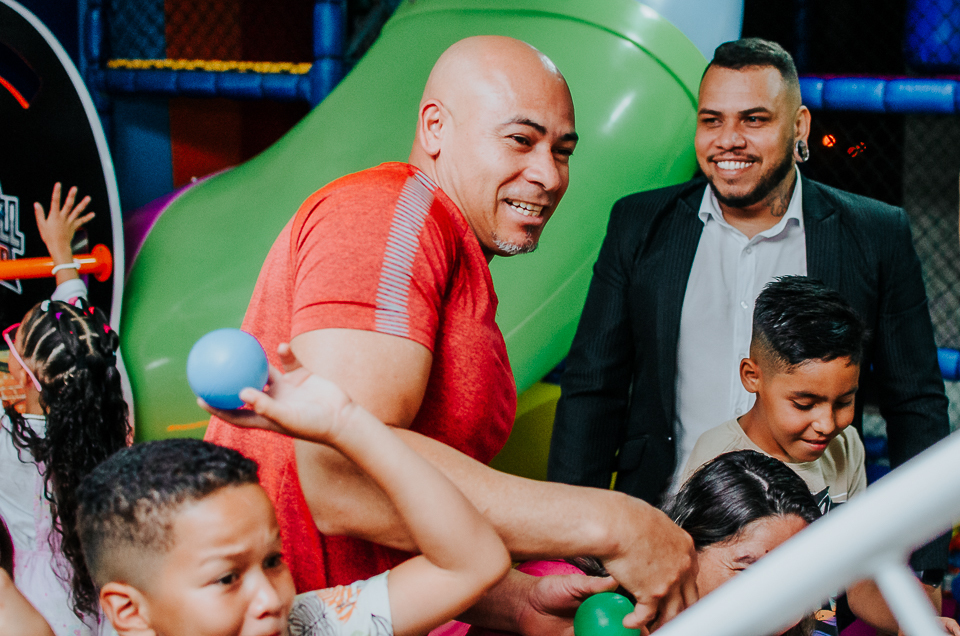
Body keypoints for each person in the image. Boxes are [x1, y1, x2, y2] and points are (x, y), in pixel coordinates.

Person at [204, 35, 697, 633]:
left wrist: (512, 600)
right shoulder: (391, 214)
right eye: (521, 140)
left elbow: (398, 514)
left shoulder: (450, 248)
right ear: (435, 127)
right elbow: (345, 481)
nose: (547, 174)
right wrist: (616, 521)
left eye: (562, 150)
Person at [548, 36, 948, 585]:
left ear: (800, 127)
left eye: (754, 119)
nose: (728, 140)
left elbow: (916, 405)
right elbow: (593, 390)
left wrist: (924, 571)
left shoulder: (875, 234)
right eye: (712, 120)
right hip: (665, 546)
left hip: (814, 564)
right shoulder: (640, 226)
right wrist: (569, 550)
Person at [79, 350, 515, 636]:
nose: (271, 600)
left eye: (272, 561)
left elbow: (473, 564)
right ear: (130, 611)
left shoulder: (304, 626)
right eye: (227, 578)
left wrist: (346, 425)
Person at [679, 277, 960, 636]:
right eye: (804, 403)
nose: (827, 424)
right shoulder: (717, 459)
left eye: (844, 402)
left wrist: (914, 622)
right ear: (752, 377)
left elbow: (857, 578)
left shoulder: (845, 448)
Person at [435, 449, 822, 636]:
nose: (783, 599)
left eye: (796, 576)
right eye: (748, 567)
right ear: (687, 548)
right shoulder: (571, 594)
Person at [0, 183, 130, 635]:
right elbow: (74, 334)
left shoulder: (7, 441)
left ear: (22, 378)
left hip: (35, 604)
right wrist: (63, 257)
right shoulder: (108, 392)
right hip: (102, 594)